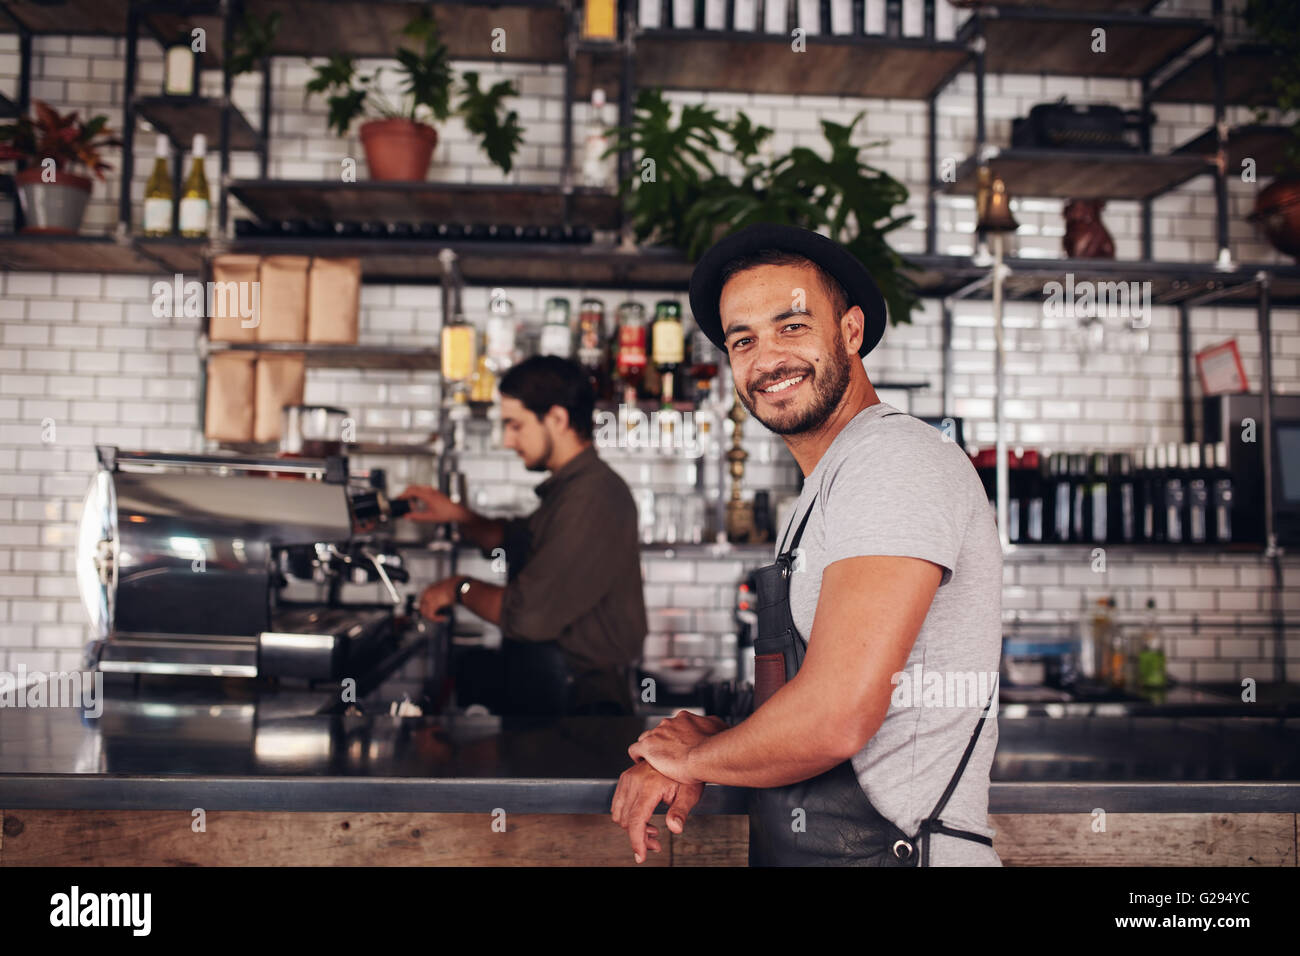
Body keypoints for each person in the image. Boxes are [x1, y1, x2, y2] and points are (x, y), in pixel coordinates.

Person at [610, 224, 1003, 866]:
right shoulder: (830, 483)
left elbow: (836, 716)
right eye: (743, 340)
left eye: (791, 326)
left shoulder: (894, 459)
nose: (766, 359)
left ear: (850, 332)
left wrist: (691, 758)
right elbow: (808, 696)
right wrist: (719, 735)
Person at [401, 355, 646, 716]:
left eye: (515, 425)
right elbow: (518, 539)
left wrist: (458, 588)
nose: (506, 440)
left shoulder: (592, 497)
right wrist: (458, 514)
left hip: (580, 711)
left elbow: (528, 616)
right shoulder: (571, 489)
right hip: (555, 694)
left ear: (558, 419)